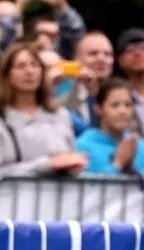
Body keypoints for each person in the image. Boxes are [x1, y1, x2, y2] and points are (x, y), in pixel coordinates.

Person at [0, 42, 86, 178]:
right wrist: (47, 165)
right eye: (21, 66)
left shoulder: (60, 115)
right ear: (7, 75)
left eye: (35, 65)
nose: (29, 71)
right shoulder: (3, 119)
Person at [75, 77, 144, 176]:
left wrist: (131, 169)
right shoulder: (82, 145)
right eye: (115, 105)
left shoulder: (139, 146)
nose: (123, 111)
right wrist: (117, 164)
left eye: (128, 105)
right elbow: (84, 188)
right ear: (98, 109)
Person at [66, 31, 113, 134]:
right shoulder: (64, 91)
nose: (101, 59)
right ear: (77, 60)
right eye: (93, 53)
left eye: (107, 54)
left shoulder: (119, 92)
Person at [21, 0, 85, 59]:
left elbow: (75, 29)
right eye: (38, 34)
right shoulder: (21, 51)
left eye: (50, 35)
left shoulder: (63, 48)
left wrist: (62, 6)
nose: (43, 38)